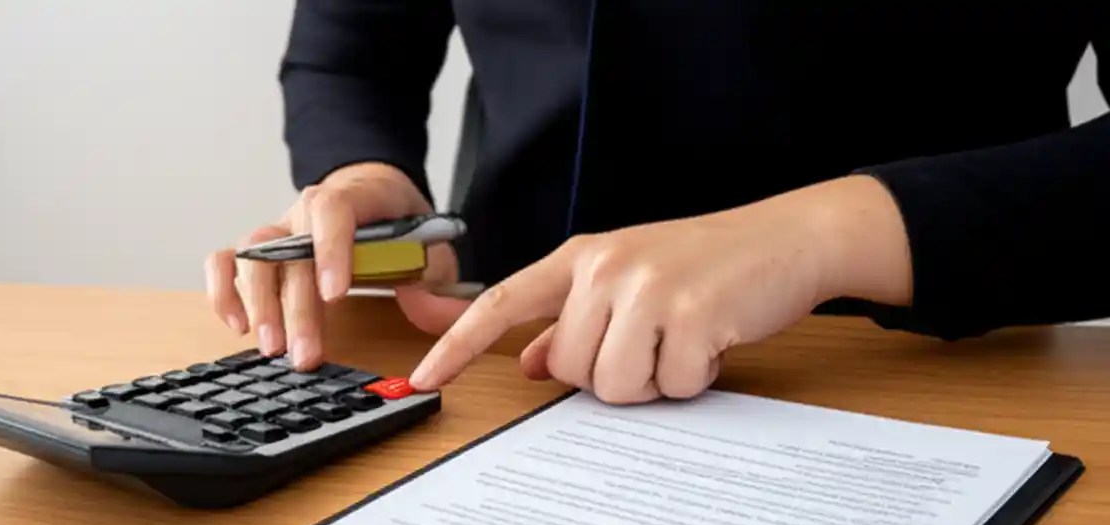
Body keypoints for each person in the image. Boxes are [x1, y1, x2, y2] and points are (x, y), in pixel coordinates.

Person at [205, 2, 1109, 405]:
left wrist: (828, 233)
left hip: (942, 380)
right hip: (514, 365)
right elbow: (353, 49)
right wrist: (368, 178)